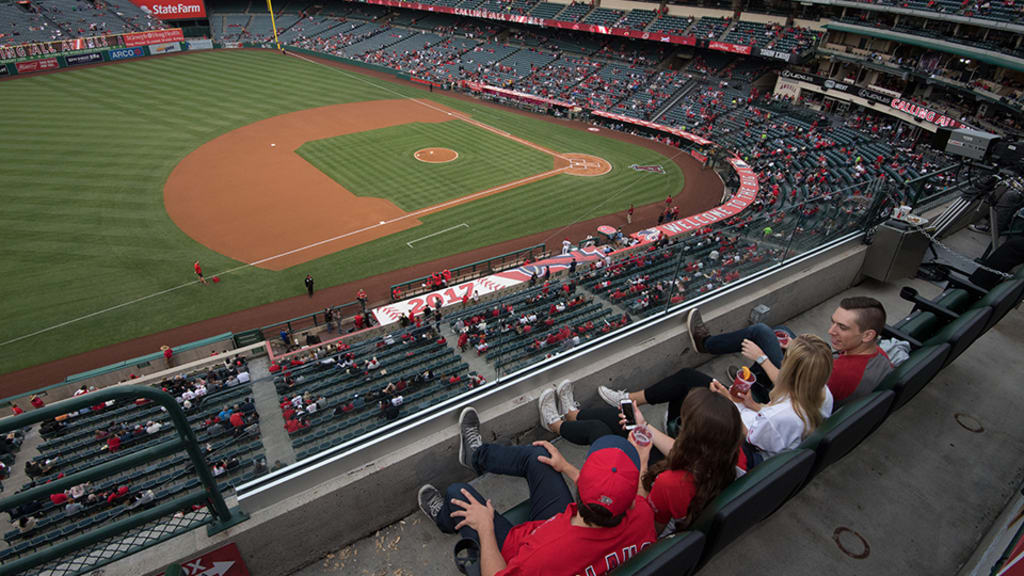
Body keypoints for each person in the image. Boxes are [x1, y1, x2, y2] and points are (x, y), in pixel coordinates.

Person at [417, 408, 656, 576]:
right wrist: (566, 467)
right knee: (539, 458)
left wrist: (486, 528)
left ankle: (443, 519)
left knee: (457, 493)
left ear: (579, 490)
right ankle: (476, 456)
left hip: (522, 549)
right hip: (562, 530)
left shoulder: (540, 558)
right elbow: (633, 496)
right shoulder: (643, 514)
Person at [599, 335, 834, 467]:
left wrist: (729, 402)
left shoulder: (780, 416)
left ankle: (675, 429)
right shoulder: (822, 394)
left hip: (740, 450)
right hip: (754, 427)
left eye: (787, 358)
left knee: (691, 389)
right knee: (688, 379)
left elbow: (748, 437)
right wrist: (751, 404)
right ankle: (630, 399)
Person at [679, 298, 892, 406]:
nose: (831, 331)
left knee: (761, 332)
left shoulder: (841, 373)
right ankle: (754, 380)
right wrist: (796, 347)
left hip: (794, 398)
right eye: (833, 322)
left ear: (867, 335)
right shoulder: (879, 357)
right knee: (784, 334)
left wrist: (761, 358)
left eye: (842, 327)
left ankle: (705, 343)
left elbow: (793, 394)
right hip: (815, 388)